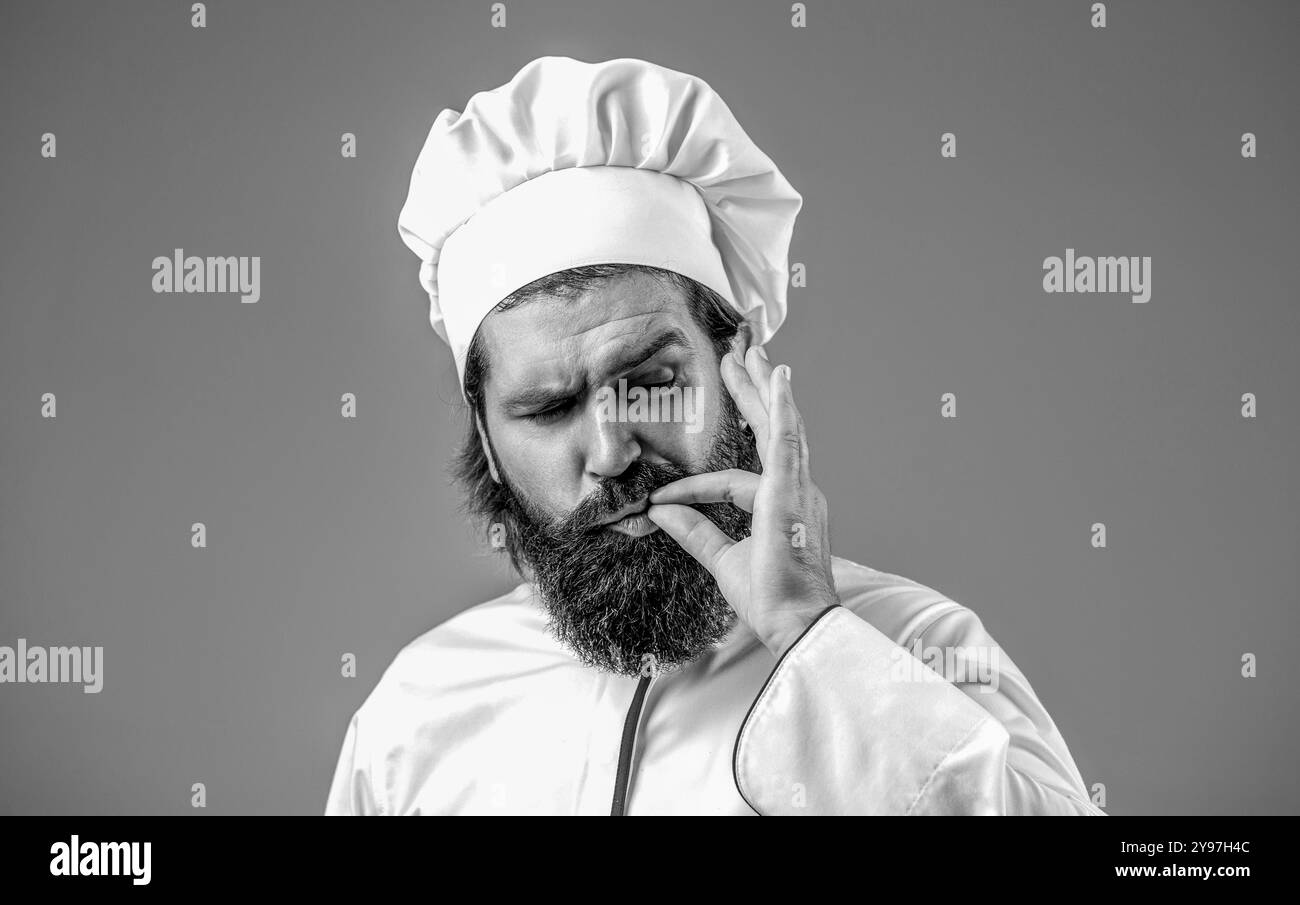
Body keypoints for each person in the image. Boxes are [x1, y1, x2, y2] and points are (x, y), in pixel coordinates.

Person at [324, 56, 1102, 815]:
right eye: (548, 408)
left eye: (654, 384)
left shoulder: (917, 648)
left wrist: (811, 637)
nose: (611, 453)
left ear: (739, 370)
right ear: (490, 444)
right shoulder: (413, 716)